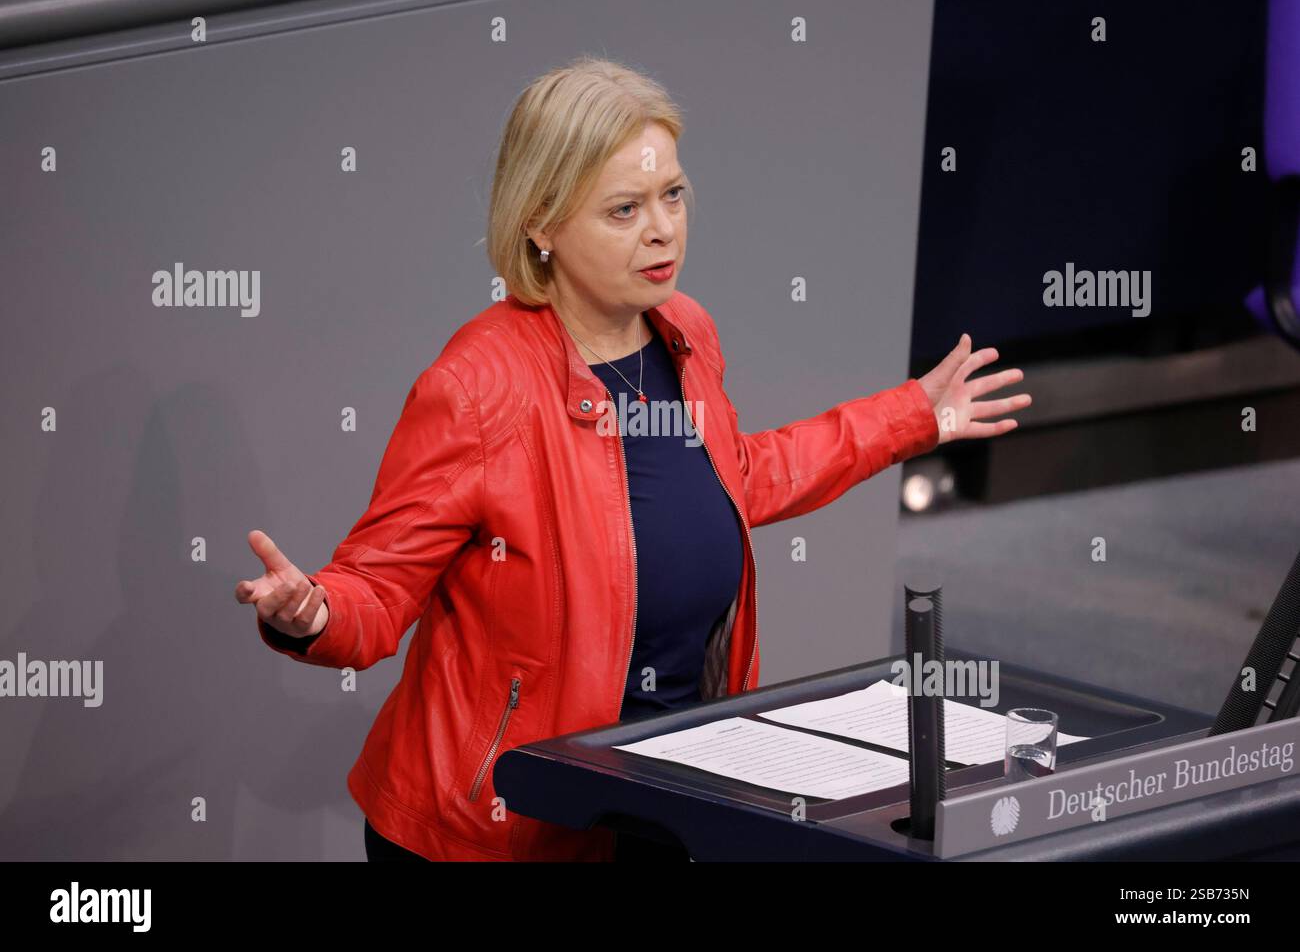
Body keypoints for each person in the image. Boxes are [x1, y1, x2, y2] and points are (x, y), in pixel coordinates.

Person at [234, 55, 1031, 863]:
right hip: (496, 833)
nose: (663, 229)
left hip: (663, 796)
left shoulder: (686, 332)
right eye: (624, 209)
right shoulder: (478, 387)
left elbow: (737, 480)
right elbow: (378, 588)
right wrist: (315, 612)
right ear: (540, 224)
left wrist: (910, 417)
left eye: (673, 195)